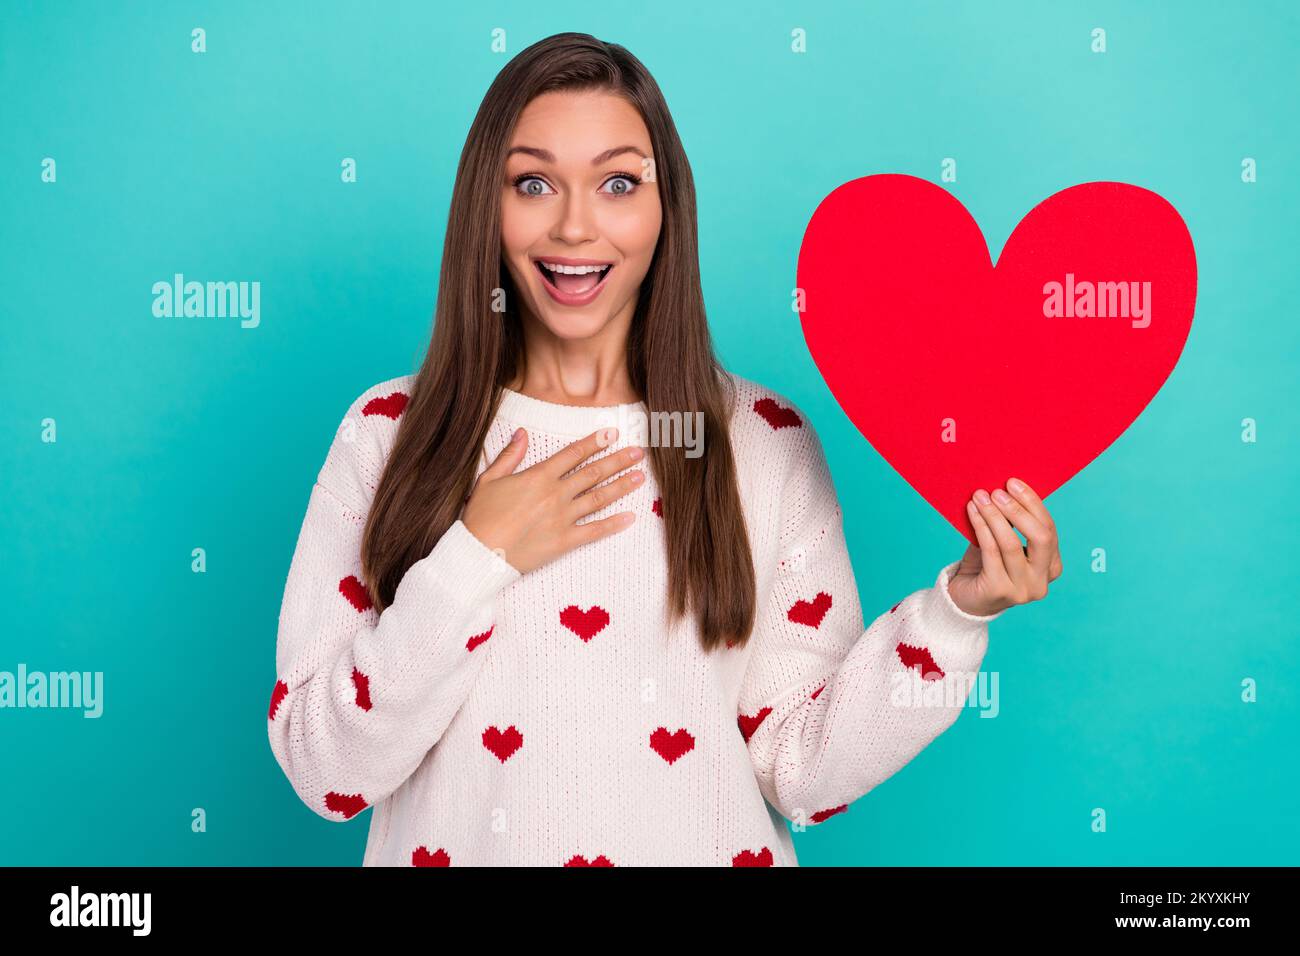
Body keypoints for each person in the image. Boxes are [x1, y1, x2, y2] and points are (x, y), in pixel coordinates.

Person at [266, 32, 1062, 867]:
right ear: (484, 208)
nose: (575, 225)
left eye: (618, 183)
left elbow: (802, 770)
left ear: (666, 207)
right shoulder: (392, 430)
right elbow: (327, 774)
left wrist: (958, 613)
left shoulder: (763, 440)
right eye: (532, 183)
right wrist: (476, 554)